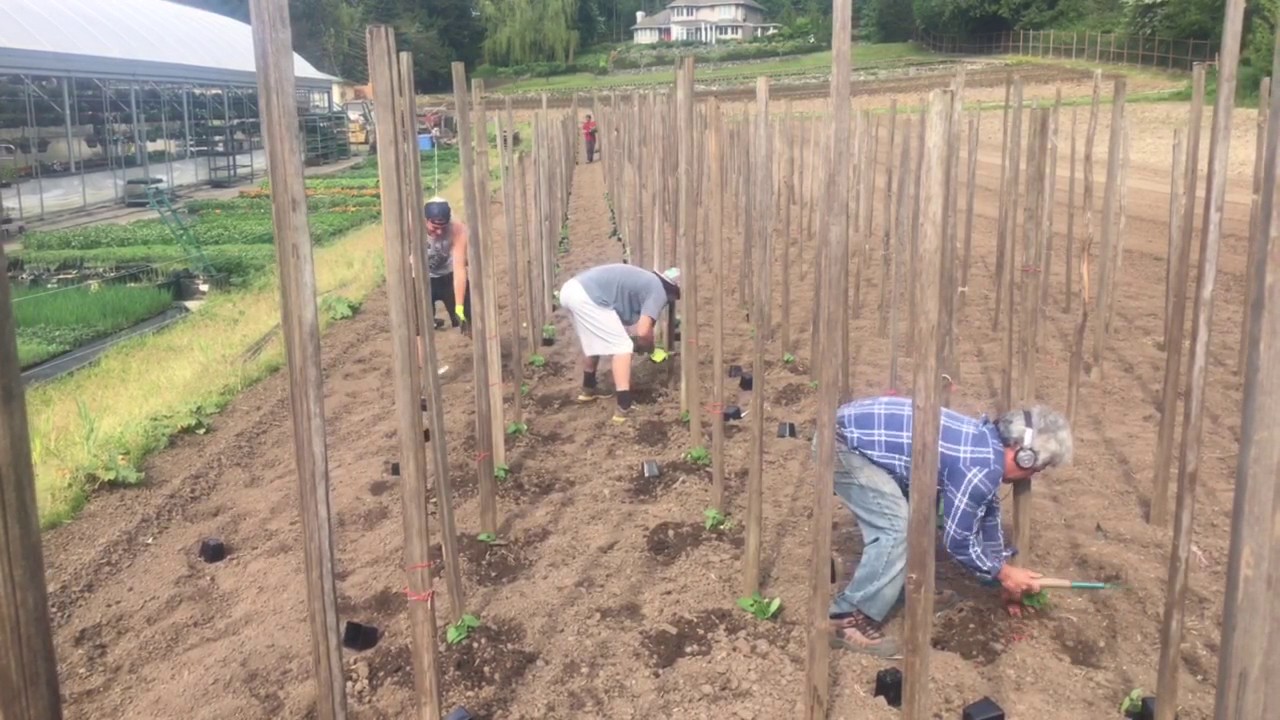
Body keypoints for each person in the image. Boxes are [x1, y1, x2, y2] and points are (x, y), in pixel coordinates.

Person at [820, 395, 1073, 658]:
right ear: (1023, 456)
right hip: (839, 444)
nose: (1032, 475)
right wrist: (1004, 573)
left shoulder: (986, 444)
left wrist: (1002, 574)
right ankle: (845, 620)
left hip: (852, 433)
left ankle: (901, 589)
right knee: (896, 527)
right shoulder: (980, 465)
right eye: (1037, 468)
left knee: (921, 517)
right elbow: (958, 540)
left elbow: (987, 513)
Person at [559, 263, 680, 424]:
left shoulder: (647, 281)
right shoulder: (659, 291)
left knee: (593, 339)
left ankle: (588, 389)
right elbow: (643, 330)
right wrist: (649, 347)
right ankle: (624, 406)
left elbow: (633, 326)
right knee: (622, 347)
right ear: (672, 291)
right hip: (587, 296)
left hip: (571, 290)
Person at [419, 196, 470, 331]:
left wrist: (459, 307)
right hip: (419, 278)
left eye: (443, 227)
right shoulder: (412, 227)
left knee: (469, 319)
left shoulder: (458, 229)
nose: (440, 231)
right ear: (425, 220)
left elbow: (459, 269)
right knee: (419, 328)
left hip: (448, 276)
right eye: (434, 227)